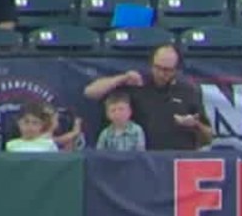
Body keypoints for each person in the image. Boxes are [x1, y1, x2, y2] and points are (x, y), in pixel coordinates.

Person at [82, 44, 214, 151]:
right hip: (145, 163)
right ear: (151, 64)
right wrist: (122, 78)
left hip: (178, 162)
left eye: (167, 70)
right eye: (158, 68)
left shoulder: (189, 91)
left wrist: (195, 125)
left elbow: (208, 138)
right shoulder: (138, 84)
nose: (162, 74)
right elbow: (90, 92)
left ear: (176, 69)